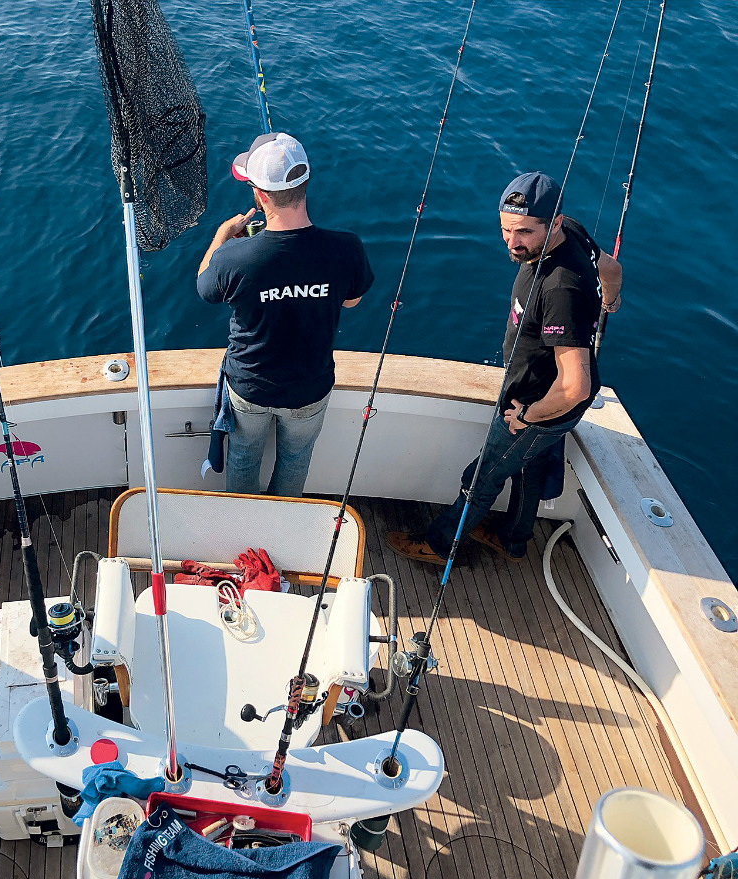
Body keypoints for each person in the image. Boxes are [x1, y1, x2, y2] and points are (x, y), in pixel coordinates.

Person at [388, 172, 622, 566]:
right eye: (506, 230)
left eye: (526, 233)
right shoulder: (575, 232)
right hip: (541, 398)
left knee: (479, 480)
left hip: (536, 406)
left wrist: (526, 415)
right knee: (527, 468)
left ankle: (441, 544)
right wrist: (608, 305)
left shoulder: (560, 287)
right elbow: (611, 270)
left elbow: (576, 387)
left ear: (556, 224)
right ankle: (512, 539)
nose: (514, 243)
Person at [197, 132, 374, 497]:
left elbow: (205, 289)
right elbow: (352, 301)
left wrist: (222, 237)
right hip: (310, 387)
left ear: (260, 195)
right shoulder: (347, 248)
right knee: (295, 460)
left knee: (244, 457)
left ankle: (244, 533)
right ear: (305, 183)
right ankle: (281, 524)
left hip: (250, 387)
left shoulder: (235, 257)